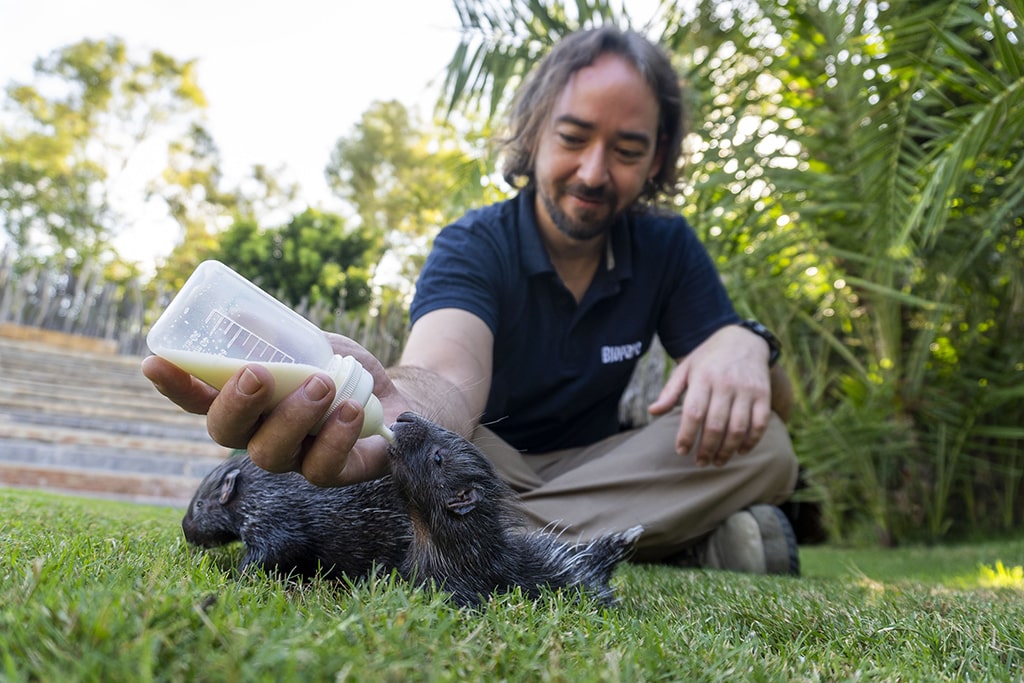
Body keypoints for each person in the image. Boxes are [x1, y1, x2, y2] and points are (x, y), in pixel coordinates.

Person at [142, 25, 800, 575]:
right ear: (534, 133)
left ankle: (462, 540)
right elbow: (444, 377)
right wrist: (397, 414)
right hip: (478, 454)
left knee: (765, 446)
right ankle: (670, 538)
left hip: (603, 462)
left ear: (657, 159)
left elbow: (771, 403)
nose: (595, 172)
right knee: (400, 471)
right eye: (573, 138)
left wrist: (748, 342)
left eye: (627, 150)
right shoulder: (476, 243)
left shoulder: (666, 245)